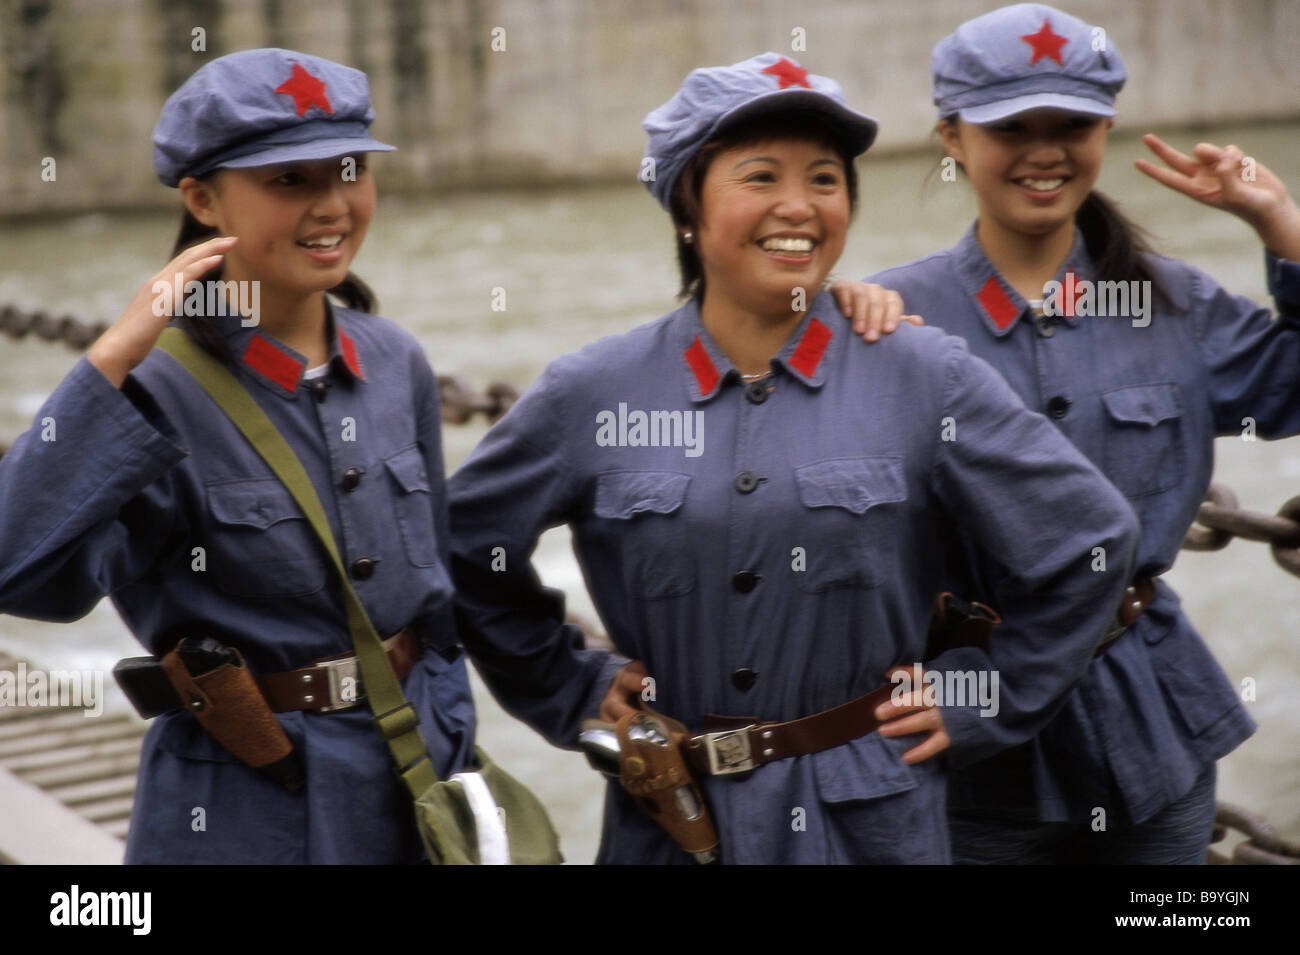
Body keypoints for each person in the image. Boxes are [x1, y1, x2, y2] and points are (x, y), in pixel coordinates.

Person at [448, 51, 1141, 864]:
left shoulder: (924, 375)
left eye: (823, 179)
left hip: (869, 819)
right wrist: (568, 685)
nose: (799, 207)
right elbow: (462, 549)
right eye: (759, 177)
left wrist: (980, 693)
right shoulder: (592, 393)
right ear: (687, 208)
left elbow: (1090, 542)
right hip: (669, 819)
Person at [0, 48, 626, 864]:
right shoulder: (153, 395)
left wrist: (537, 706)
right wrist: (108, 364)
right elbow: (18, 568)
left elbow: (439, 599)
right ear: (200, 197)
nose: (333, 205)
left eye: (349, 170)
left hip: (418, 784)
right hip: (244, 802)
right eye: (289, 181)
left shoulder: (394, 361)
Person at [863, 3, 1300, 864]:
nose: (1044, 150)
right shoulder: (889, 320)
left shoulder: (1175, 305)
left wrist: (1276, 221)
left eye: (1072, 124)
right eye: (1009, 126)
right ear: (952, 138)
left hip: (1150, 724)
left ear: (1106, 130)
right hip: (968, 737)